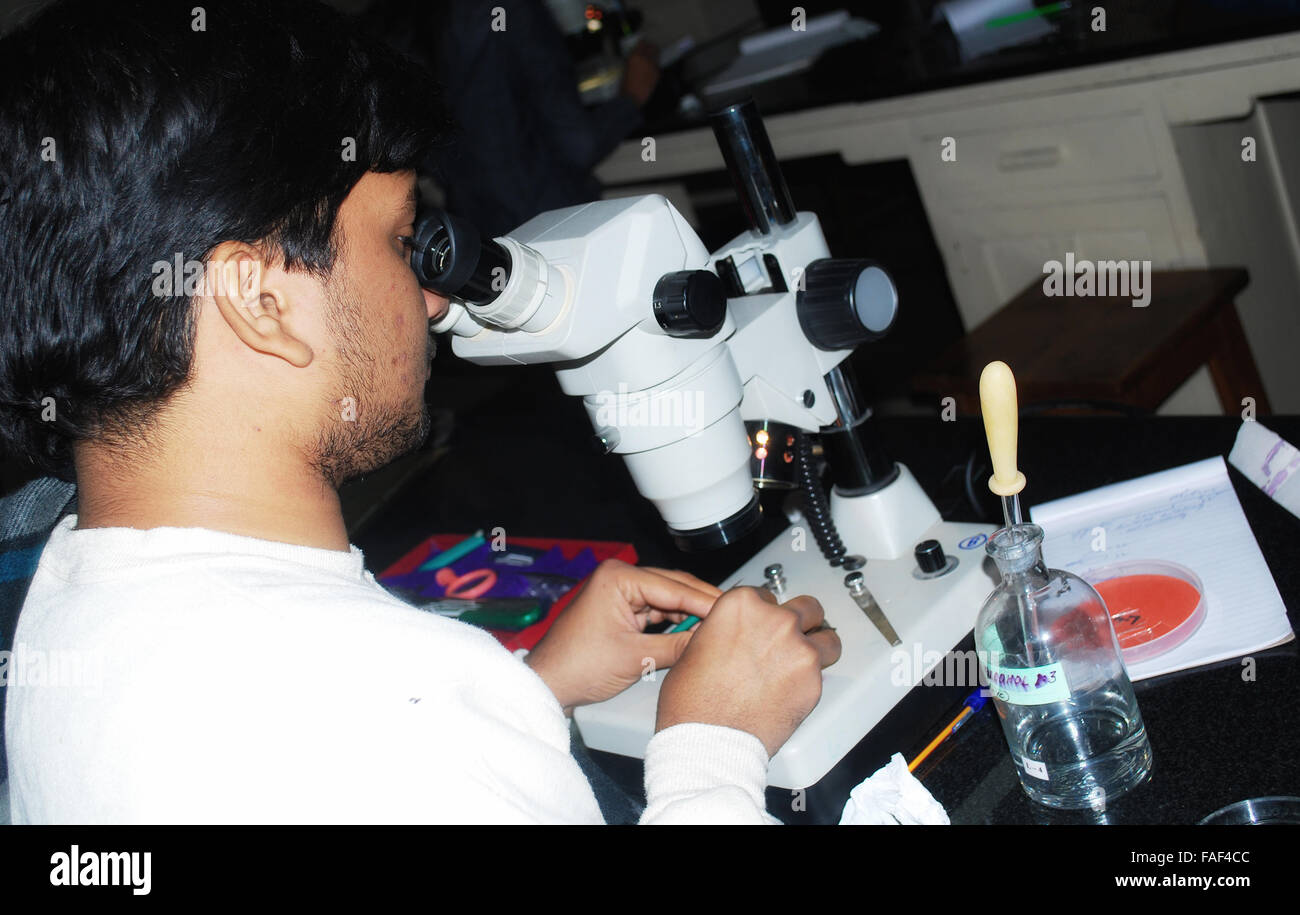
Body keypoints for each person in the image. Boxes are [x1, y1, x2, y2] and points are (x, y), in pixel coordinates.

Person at [0, 0, 840, 824]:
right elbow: (385, 757)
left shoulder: (63, 582)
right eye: (402, 240)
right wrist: (714, 750)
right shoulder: (381, 728)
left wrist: (520, 693)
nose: (435, 300)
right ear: (262, 302)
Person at [362, 0, 660, 237]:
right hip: (559, 222)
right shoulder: (510, 9)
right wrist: (632, 96)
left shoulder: (386, 27)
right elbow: (578, 143)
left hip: (475, 232)